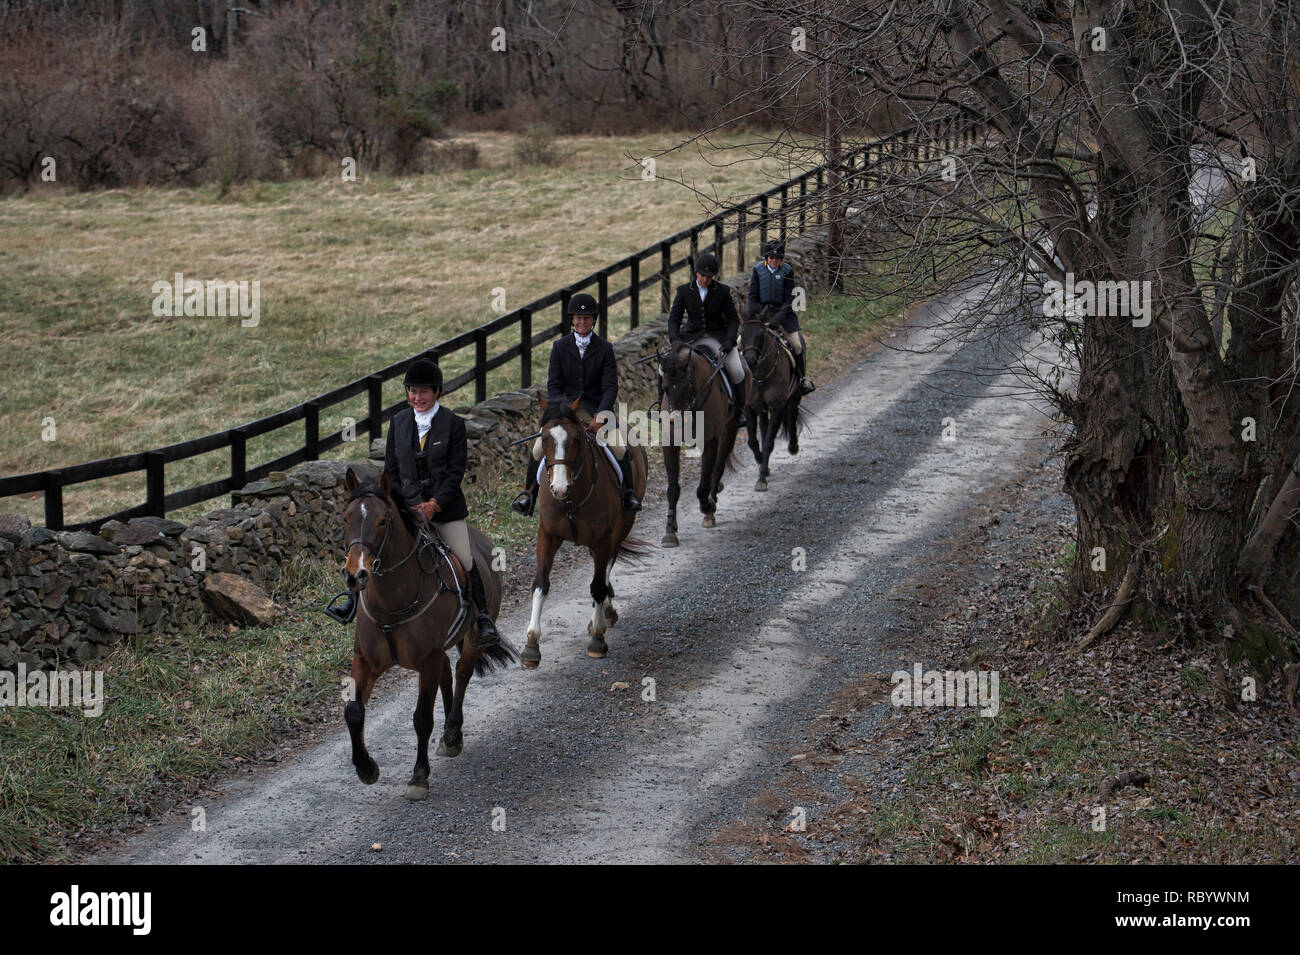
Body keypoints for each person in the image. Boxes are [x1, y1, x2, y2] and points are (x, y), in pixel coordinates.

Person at [326, 357, 500, 648]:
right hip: (405, 508)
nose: (416, 397)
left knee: (465, 557)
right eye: (412, 391)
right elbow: (391, 472)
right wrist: (405, 504)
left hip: (445, 509)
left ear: (436, 392)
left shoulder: (453, 424)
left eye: (423, 392)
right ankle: (352, 601)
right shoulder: (399, 422)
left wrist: (434, 504)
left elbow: (455, 472)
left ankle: (482, 618)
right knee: (372, 546)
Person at [512, 293, 641, 516]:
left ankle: (628, 494)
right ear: (572, 320)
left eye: (587, 318)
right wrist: (559, 410)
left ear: (594, 320)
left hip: (596, 411)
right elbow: (554, 384)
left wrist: (601, 413)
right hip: (565, 412)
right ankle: (529, 496)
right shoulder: (560, 347)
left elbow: (610, 386)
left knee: (619, 447)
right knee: (537, 448)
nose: (582, 322)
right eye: (578, 318)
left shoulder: (604, 348)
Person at [666, 251, 748, 422]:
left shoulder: (723, 291)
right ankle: (662, 408)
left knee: (738, 371)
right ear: (696, 273)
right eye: (703, 275)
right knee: (664, 368)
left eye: (709, 277)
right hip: (690, 339)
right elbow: (674, 319)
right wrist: (675, 341)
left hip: (717, 339)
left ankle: (740, 411)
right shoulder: (683, 291)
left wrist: (730, 340)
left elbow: (733, 320)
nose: (705, 280)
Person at [747, 239, 814, 395]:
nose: (774, 261)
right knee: (741, 344)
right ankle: (746, 382)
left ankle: (801, 380)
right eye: (771, 258)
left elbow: (790, 299)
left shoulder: (787, 271)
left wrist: (777, 318)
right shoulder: (757, 271)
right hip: (762, 315)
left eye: (777, 258)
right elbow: (752, 297)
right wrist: (758, 314)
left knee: (797, 345)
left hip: (784, 316)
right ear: (766, 257)